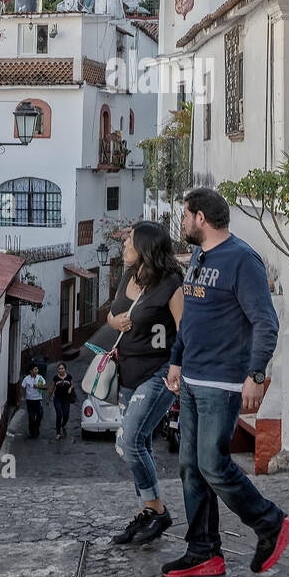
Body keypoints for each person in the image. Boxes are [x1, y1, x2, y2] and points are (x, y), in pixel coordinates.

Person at [160, 188, 289, 577]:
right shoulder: (200, 257)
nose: (183, 221)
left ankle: (271, 523)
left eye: (186, 215)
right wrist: (176, 361)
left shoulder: (242, 260)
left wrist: (255, 375)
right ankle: (204, 551)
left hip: (222, 384)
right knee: (189, 466)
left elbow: (266, 322)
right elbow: (191, 318)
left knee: (213, 464)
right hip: (190, 379)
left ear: (201, 217)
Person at [107, 222, 184, 547]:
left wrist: (179, 370)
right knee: (139, 445)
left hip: (159, 373)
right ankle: (146, 513)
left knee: (128, 442)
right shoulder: (129, 275)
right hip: (128, 373)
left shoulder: (171, 285)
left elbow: (185, 332)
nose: (124, 245)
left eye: (129, 241)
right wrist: (115, 321)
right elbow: (112, 315)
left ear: (146, 248)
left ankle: (157, 510)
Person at [50, 362, 74, 439]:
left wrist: (70, 388)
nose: (61, 370)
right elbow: (52, 388)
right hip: (57, 399)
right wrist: (48, 399)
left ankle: (63, 425)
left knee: (66, 415)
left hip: (66, 399)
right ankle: (58, 433)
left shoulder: (69, 377)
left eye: (62, 368)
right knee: (59, 414)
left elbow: (72, 385)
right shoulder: (55, 378)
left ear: (65, 369)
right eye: (59, 369)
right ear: (58, 369)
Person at [21, 363, 46, 437]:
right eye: (35, 369)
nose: (37, 371)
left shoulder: (40, 378)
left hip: (38, 400)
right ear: (31, 371)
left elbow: (45, 387)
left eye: (37, 369)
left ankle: (36, 427)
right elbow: (22, 387)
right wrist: (22, 397)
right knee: (31, 417)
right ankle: (32, 431)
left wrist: (38, 386)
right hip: (30, 400)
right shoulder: (26, 379)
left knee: (40, 414)